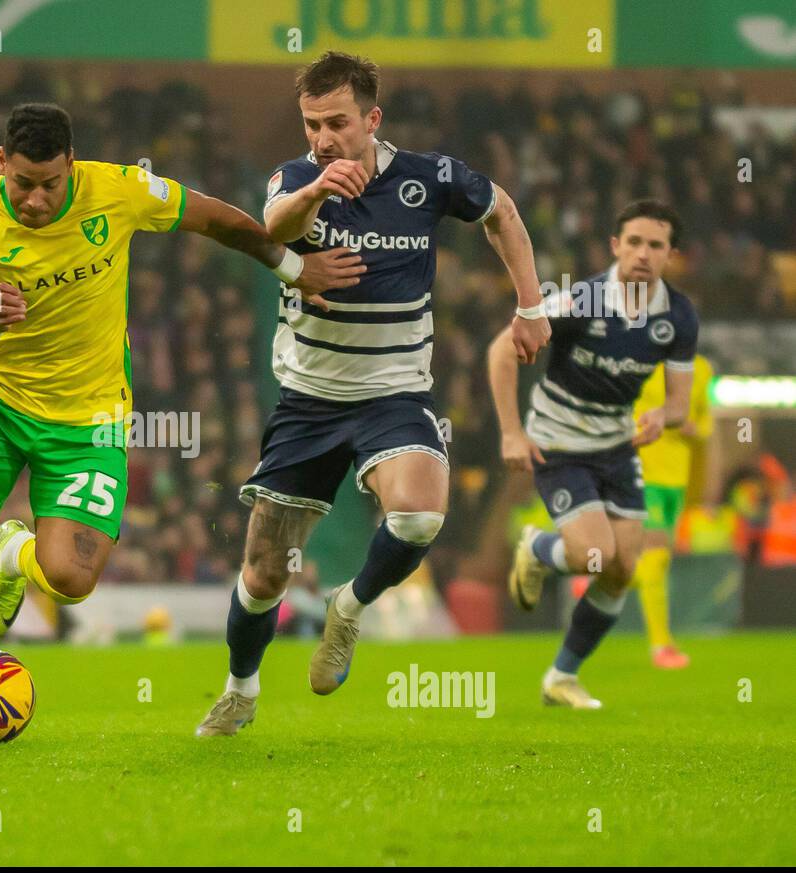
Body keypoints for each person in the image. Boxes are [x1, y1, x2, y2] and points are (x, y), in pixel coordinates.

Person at [0, 102, 364, 739]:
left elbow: (219, 221)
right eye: (21, 183)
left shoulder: (118, 190)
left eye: (49, 184)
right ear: (1, 163)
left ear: (72, 168)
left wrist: (293, 267)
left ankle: (14, 555)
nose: (33, 199)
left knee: (71, 579)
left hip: (90, 420)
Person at [196, 51, 548, 736]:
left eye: (337, 123)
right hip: (307, 400)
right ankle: (240, 689)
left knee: (419, 516)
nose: (322, 138)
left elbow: (501, 211)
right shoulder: (298, 178)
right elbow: (273, 227)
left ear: (372, 119)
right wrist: (319, 192)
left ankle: (349, 609)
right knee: (265, 573)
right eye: (311, 124)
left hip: (394, 393)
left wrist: (530, 306)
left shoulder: (429, 177)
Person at [489, 199, 699, 709]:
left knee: (624, 566)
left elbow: (678, 404)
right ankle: (537, 549)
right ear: (615, 246)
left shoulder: (678, 316)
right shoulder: (579, 301)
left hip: (616, 447)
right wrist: (512, 434)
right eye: (634, 242)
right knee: (593, 555)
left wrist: (662, 418)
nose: (643, 254)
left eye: (655, 245)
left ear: (671, 253)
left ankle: (561, 677)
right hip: (560, 445)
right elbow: (502, 349)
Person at [631, 354, 714, 668]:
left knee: (658, 561)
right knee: (656, 554)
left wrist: (697, 429)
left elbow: (706, 418)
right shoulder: (640, 360)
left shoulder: (702, 369)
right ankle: (661, 645)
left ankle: (605, 575)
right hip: (644, 467)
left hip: (678, 476)